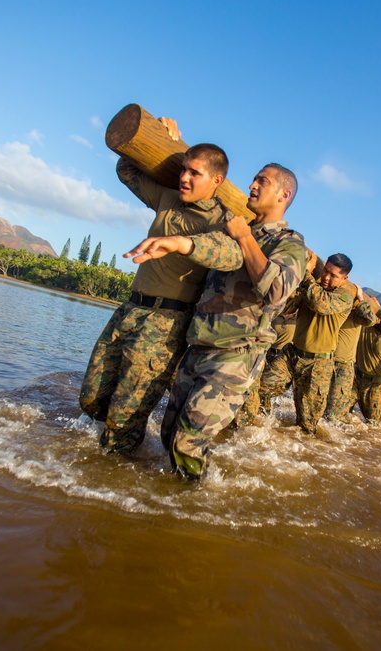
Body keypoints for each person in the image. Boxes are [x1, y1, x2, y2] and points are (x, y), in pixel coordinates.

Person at [123, 162, 306, 479]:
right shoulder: (233, 229)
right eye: (253, 179)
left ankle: (191, 501)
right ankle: (175, 496)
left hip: (235, 355)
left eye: (262, 181)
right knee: (168, 435)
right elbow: (206, 247)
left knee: (186, 444)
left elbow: (276, 291)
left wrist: (245, 238)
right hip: (198, 346)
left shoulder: (288, 242)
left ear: (284, 194)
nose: (252, 185)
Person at [79, 120, 233, 454]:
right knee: (91, 398)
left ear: (216, 180)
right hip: (129, 309)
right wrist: (159, 136)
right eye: (182, 169)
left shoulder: (222, 221)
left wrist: (180, 243)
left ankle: (118, 463)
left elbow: (229, 254)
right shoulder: (168, 198)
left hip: (165, 324)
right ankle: (103, 458)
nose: (184, 177)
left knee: (124, 418)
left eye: (194, 173)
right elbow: (125, 170)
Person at [285, 253, 358, 434]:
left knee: (306, 424)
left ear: (344, 279)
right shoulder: (312, 288)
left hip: (318, 365)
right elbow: (287, 308)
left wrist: (307, 273)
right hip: (292, 354)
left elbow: (320, 304)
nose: (326, 277)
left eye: (333, 275)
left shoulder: (344, 296)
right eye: (325, 270)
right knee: (263, 386)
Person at [325, 292, 379, 422]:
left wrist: (362, 300)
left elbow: (371, 319)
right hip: (325, 362)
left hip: (343, 367)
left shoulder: (356, 315)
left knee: (335, 412)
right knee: (320, 404)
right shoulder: (332, 310)